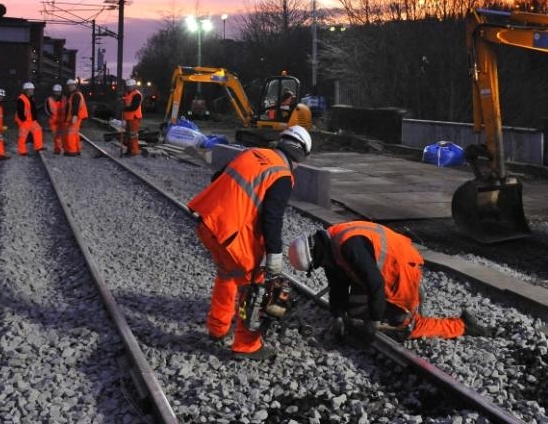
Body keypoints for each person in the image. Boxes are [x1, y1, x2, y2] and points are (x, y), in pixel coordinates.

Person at [186, 125, 313, 360]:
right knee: (254, 286)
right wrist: (274, 253)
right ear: (299, 156)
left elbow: (217, 178)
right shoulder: (282, 175)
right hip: (230, 234)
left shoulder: (252, 153)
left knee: (227, 274)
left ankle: (218, 327)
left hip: (207, 223)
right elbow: (272, 218)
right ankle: (246, 346)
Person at [288, 220, 492, 345]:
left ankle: (462, 326)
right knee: (355, 316)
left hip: (401, 270)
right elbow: (338, 285)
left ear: (316, 255)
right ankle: (387, 312)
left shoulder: (348, 246)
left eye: (317, 265)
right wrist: (338, 316)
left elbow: (375, 283)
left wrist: (374, 322)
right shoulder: (329, 245)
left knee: (405, 329)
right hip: (378, 271)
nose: (321, 267)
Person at [15, 82, 45, 155]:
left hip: (31, 121)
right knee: (23, 136)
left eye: (32, 89)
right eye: (31, 89)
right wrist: (23, 120)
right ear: (26, 90)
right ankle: (22, 151)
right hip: (25, 121)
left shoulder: (31, 98)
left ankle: (39, 147)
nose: (32, 91)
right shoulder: (21, 98)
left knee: (38, 130)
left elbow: (33, 110)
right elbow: (20, 111)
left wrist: (35, 119)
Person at [64, 79, 86, 156]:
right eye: (68, 86)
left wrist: (74, 116)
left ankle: (72, 151)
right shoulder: (74, 94)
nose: (69, 87)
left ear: (74, 85)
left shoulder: (76, 95)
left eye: (70, 86)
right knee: (75, 133)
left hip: (76, 117)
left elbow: (75, 106)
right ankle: (77, 149)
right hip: (76, 117)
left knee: (71, 133)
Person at [121, 78, 143, 156]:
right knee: (128, 135)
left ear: (134, 86)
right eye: (128, 87)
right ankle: (129, 150)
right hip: (129, 118)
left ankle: (134, 151)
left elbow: (134, 107)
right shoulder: (128, 93)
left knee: (133, 135)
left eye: (130, 87)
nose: (128, 88)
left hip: (134, 118)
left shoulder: (137, 94)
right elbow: (127, 101)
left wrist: (124, 108)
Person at [45, 84, 67, 155]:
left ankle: (66, 149)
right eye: (55, 91)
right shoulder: (49, 99)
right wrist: (51, 116)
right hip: (53, 121)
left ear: (61, 91)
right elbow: (46, 109)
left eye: (58, 91)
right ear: (53, 91)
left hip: (63, 120)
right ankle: (57, 149)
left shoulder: (65, 99)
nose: (57, 92)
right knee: (56, 136)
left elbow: (68, 108)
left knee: (63, 135)